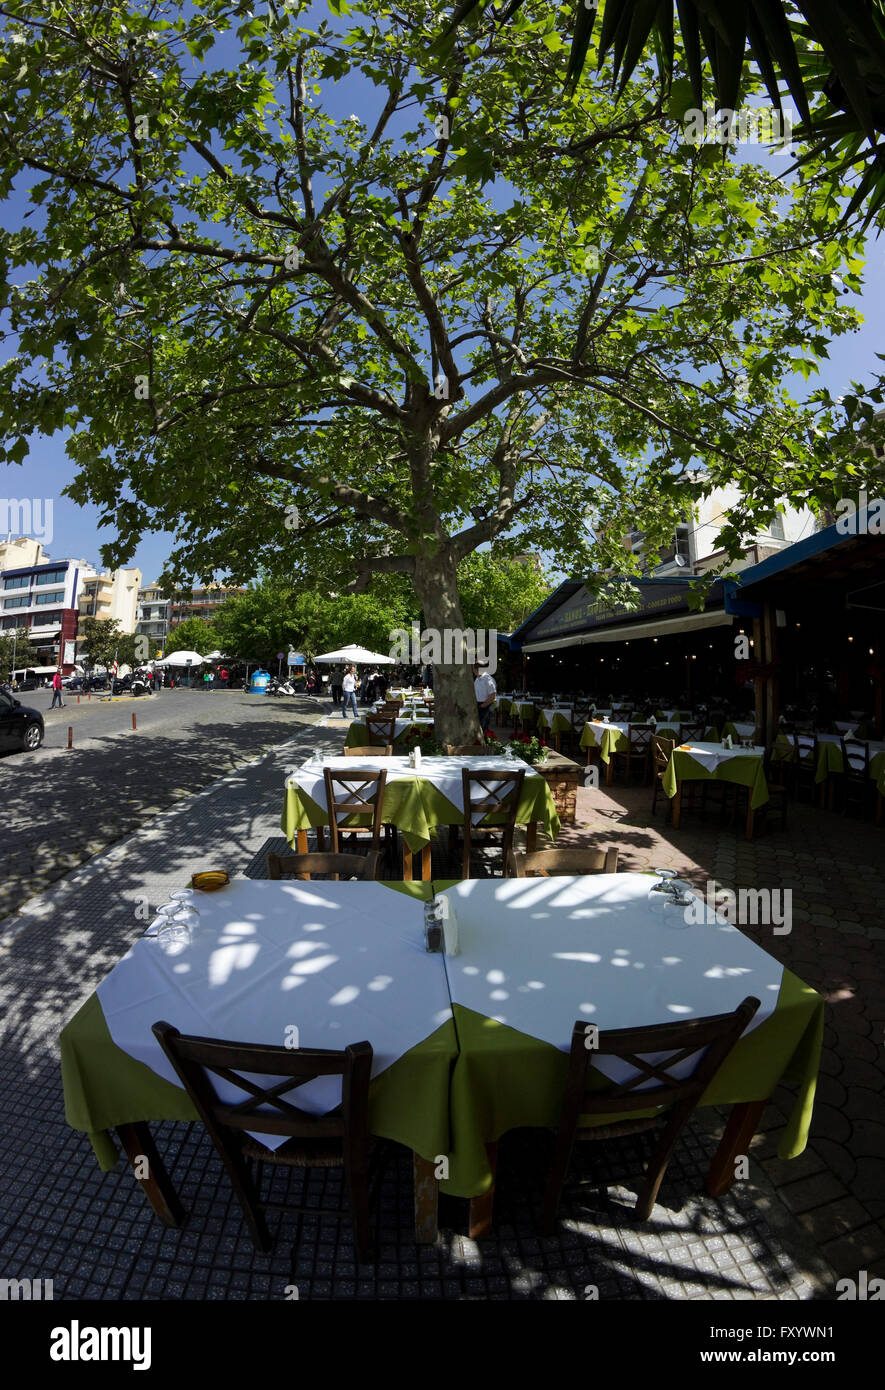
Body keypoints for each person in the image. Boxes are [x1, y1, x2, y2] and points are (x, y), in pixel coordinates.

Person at [473, 661, 497, 734]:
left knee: (483, 728)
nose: (473, 671)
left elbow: (492, 696)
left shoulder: (488, 679)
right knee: (479, 729)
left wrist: (482, 706)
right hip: (479, 705)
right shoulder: (477, 679)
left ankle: (484, 744)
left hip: (486, 706)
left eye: (474, 668)